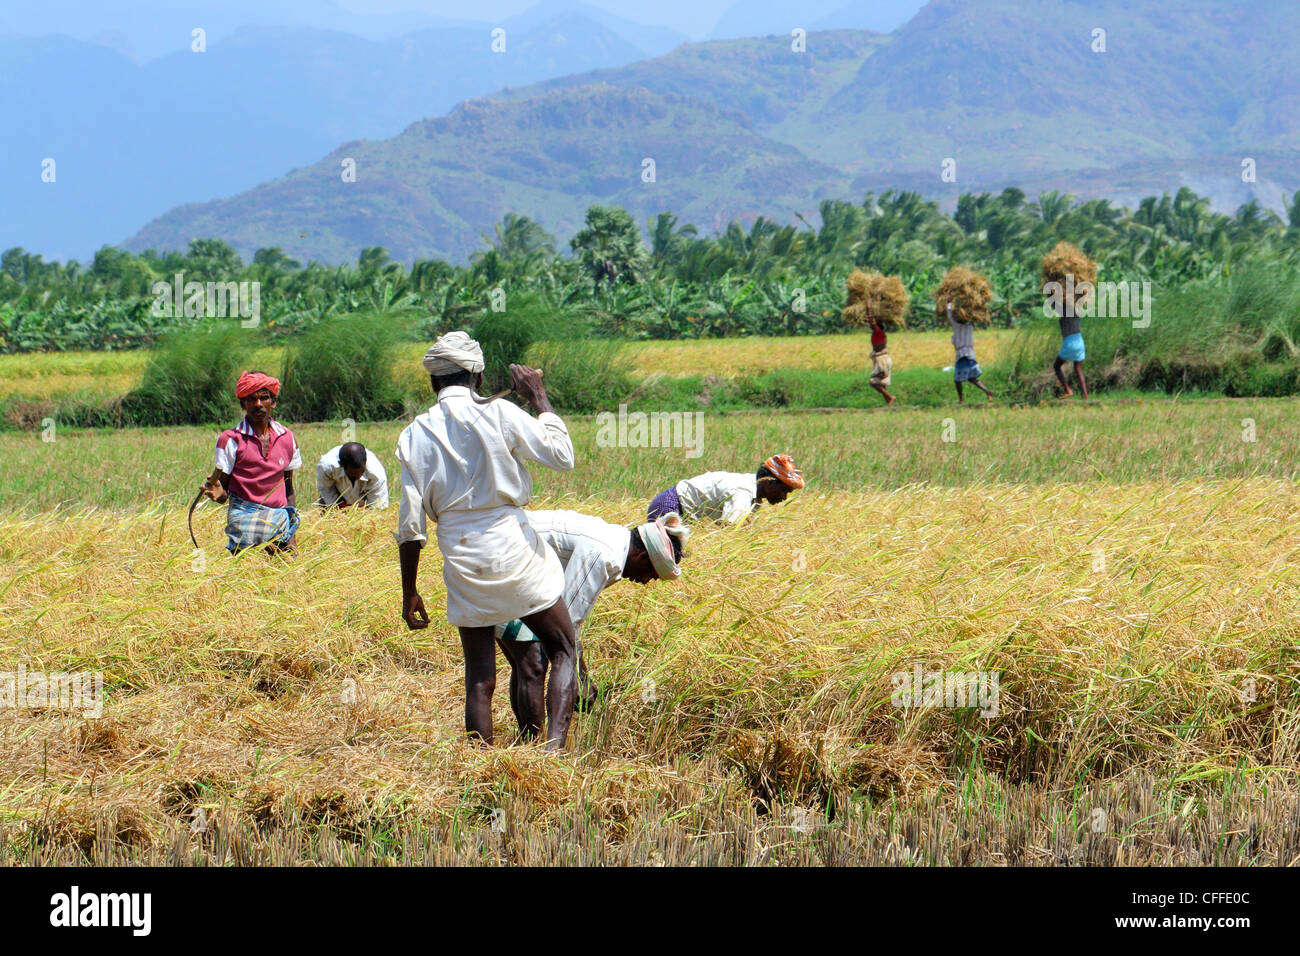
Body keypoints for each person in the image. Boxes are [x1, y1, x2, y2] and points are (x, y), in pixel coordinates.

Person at [395, 330, 580, 751]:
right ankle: (552, 753)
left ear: (432, 382)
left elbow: (411, 527)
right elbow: (563, 457)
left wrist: (409, 592)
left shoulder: (414, 434)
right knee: (563, 649)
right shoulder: (502, 414)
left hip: (461, 556)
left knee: (479, 678)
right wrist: (538, 398)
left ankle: (479, 768)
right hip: (513, 547)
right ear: (477, 378)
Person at [494, 510, 688, 738]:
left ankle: (529, 745)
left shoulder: (616, 542)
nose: (645, 582)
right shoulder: (604, 555)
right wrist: (580, 677)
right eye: (651, 574)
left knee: (529, 664)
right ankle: (538, 751)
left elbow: (565, 621)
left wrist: (580, 674)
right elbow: (565, 623)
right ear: (643, 557)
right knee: (534, 663)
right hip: (508, 560)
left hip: (517, 563)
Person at [200, 370, 302, 555]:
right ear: (243, 404)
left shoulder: (287, 438)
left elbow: (289, 489)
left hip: (279, 524)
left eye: (264, 398)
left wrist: (292, 536)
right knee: (247, 579)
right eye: (251, 399)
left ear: (274, 402)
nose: (258, 404)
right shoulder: (230, 440)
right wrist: (217, 493)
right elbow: (223, 494)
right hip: (244, 526)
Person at [647, 454, 805, 524]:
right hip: (670, 506)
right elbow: (728, 534)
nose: (784, 498)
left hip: (681, 511)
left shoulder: (754, 496)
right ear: (770, 482)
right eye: (784, 491)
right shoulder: (743, 493)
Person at [316, 442, 389, 510]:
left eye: (362, 472)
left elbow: (377, 507)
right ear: (341, 464)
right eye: (353, 474)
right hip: (339, 495)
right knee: (325, 506)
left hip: (364, 499)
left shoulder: (376, 473)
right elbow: (326, 490)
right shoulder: (326, 467)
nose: (359, 476)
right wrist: (336, 511)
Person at [947, 301, 993, 403]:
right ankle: (988, 391)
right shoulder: (970, 327)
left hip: (962, 355)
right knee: (971, 378)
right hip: (970, 354)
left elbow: (950, 316)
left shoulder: (958, 327)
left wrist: (949, 304)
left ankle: (961, 400)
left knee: (957, 380)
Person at [1053, 300, 1089, 400]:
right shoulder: (1078, 311)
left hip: (1070, 343)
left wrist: (1050, 292)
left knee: (1056, 366)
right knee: (1078, 369)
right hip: (1080, 342)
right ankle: (1085, 395)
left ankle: (1068, 390)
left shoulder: (1063, 312)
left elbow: (1052, 302)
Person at [866, 299, 896, 407]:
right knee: (881, 382)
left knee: (873, 382)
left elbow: (871, 321)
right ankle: (889, 403)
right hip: (882, 359)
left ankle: (890, 397)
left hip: (882, 360)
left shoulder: (878, 331)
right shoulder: (880, 333)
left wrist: (869, 308)